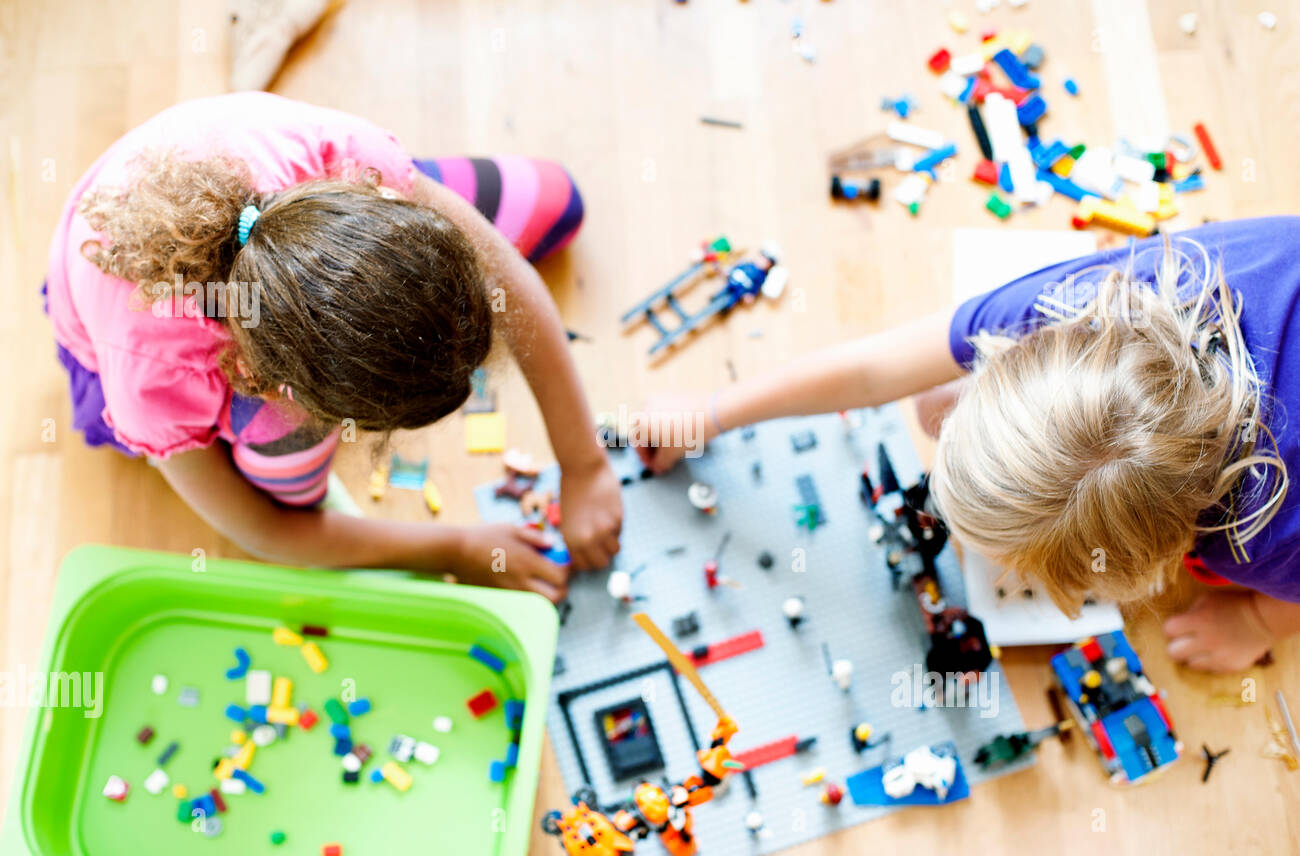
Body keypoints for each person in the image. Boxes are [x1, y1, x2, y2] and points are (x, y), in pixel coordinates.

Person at [634, 219, 1300, 672]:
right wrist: (711, 411)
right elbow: (873, 370)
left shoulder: (1264, 544)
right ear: (1028, 353)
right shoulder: (1082, 301)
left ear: (1136, 567)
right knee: (931, 396)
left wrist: (1261, 626)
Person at [45, 92, 623, 601]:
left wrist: (584, 464)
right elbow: (266, 531)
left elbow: (503, 273)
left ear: (385, 208)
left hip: (311, 228)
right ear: (274, 382)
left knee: (559, 203)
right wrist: (457, 548)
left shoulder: (342, 155)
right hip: (127, 321)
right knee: (286, 464)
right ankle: (284, 446)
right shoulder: (154, 374)